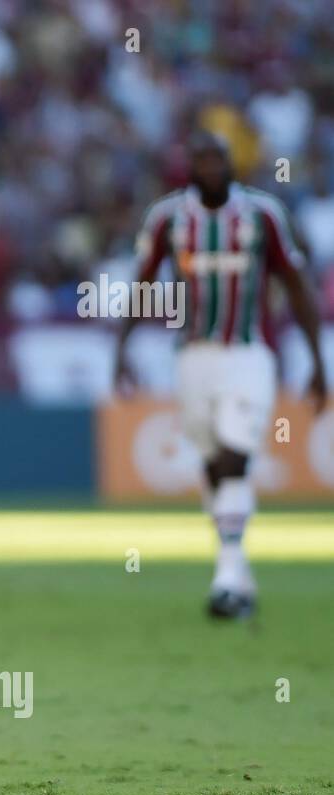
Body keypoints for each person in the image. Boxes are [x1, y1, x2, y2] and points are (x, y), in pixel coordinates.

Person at [115, 130, 327, 619]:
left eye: (219, 159)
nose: (211, 167)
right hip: (192, 357)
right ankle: (236, 569)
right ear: (189, 166)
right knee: (212, 464)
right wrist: (120, 348)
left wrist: (317, 361)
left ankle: (227, 580)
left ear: (233, 164)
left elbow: (296, 285)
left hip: (249, 353)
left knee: (234, 457)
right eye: (202, 159)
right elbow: (143, 281)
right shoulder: (168, 218)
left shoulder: (262, 215)